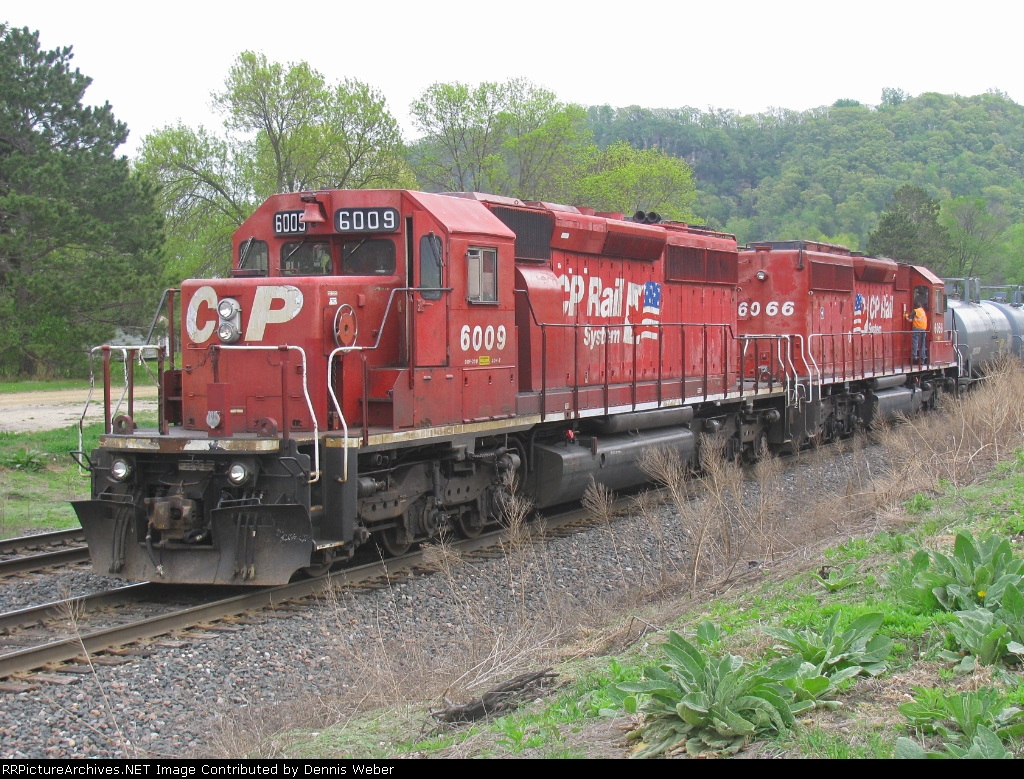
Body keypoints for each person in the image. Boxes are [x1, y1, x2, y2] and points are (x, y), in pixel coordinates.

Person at [906, 299, 928, 364]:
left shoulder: (915, 311)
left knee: (915, 342)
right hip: (923, 329)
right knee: (922, 344)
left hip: (917, 328)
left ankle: (914, 356)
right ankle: (923, 359)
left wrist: (906, 317)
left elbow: (910, 320)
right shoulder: (923, 311)